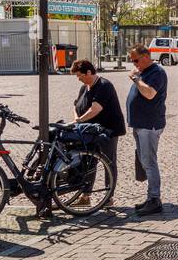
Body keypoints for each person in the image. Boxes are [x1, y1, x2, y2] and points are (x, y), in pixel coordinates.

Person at [125, 44, 167, 215]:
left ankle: (155, 199)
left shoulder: (156, 72)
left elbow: (149, 93)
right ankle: (151, 197)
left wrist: (135, 79)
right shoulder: (144, 72)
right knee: (145, 161)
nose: (134, 64)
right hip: (141, 123)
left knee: (149, 162)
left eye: (136, 60)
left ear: (146, 57)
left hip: (149, 124)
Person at [69, 59, 126, 183]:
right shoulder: (84, 87)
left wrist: (79, 120)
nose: (78, 78)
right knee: (88, 161)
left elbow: (96, 109)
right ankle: (86, 195)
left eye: (80, 75)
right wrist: (76, 119)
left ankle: (109, 195)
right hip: (90, 130)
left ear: (89, 72)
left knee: (108, 162)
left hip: (108, 130)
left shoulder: (104, 85)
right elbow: (76, 105)